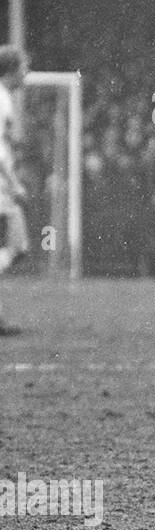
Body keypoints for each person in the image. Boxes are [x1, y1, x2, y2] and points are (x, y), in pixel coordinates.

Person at [0, 45, 30, 336]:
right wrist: (14, 183)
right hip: (1, 187)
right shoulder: (1, 100)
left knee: (16, 248)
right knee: (19, 247)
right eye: (24, 67)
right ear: (11, 70)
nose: (27, 72)